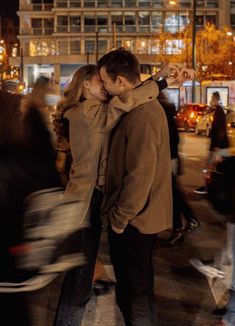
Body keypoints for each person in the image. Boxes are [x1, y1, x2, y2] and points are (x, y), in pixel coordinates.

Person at [53, 64, 163, 326]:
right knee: (78, 288)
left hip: (88, 203)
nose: (105, 87)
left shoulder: (89, 112)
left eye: (105, 83)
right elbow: (125, 101)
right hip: (82, 207)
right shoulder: (85, 112)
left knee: (80, 281)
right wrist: (161, 82)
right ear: (84, 86)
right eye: (98, 83)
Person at [97, 48, 173, 326]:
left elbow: (139, 177)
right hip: (138, 218)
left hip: (135, 221)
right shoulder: (138, 107)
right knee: (135, 291)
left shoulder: (141, 115)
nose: (104, 87)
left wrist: (119, 219)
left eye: (106, 81)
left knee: (135, 295)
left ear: (120, 81)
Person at [157, 91, 200, 246]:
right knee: (174, 193)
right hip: (171, 158)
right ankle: (188, 221)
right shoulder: (167, 110)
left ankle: (179, 227)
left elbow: (170, 139)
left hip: (167, 159)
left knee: (172, 195)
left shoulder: (161, 111)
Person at [194, 91, 229, 195]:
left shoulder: (219, 112)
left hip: (218, 146)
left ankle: (207, 187)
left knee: (210, 167)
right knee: (218, 168)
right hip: (219, 146)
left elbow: (221, 130)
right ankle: (213, 187)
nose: (210, 100)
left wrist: (217, 147)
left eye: (212, 98)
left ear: (216, 99)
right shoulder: (217, 111)